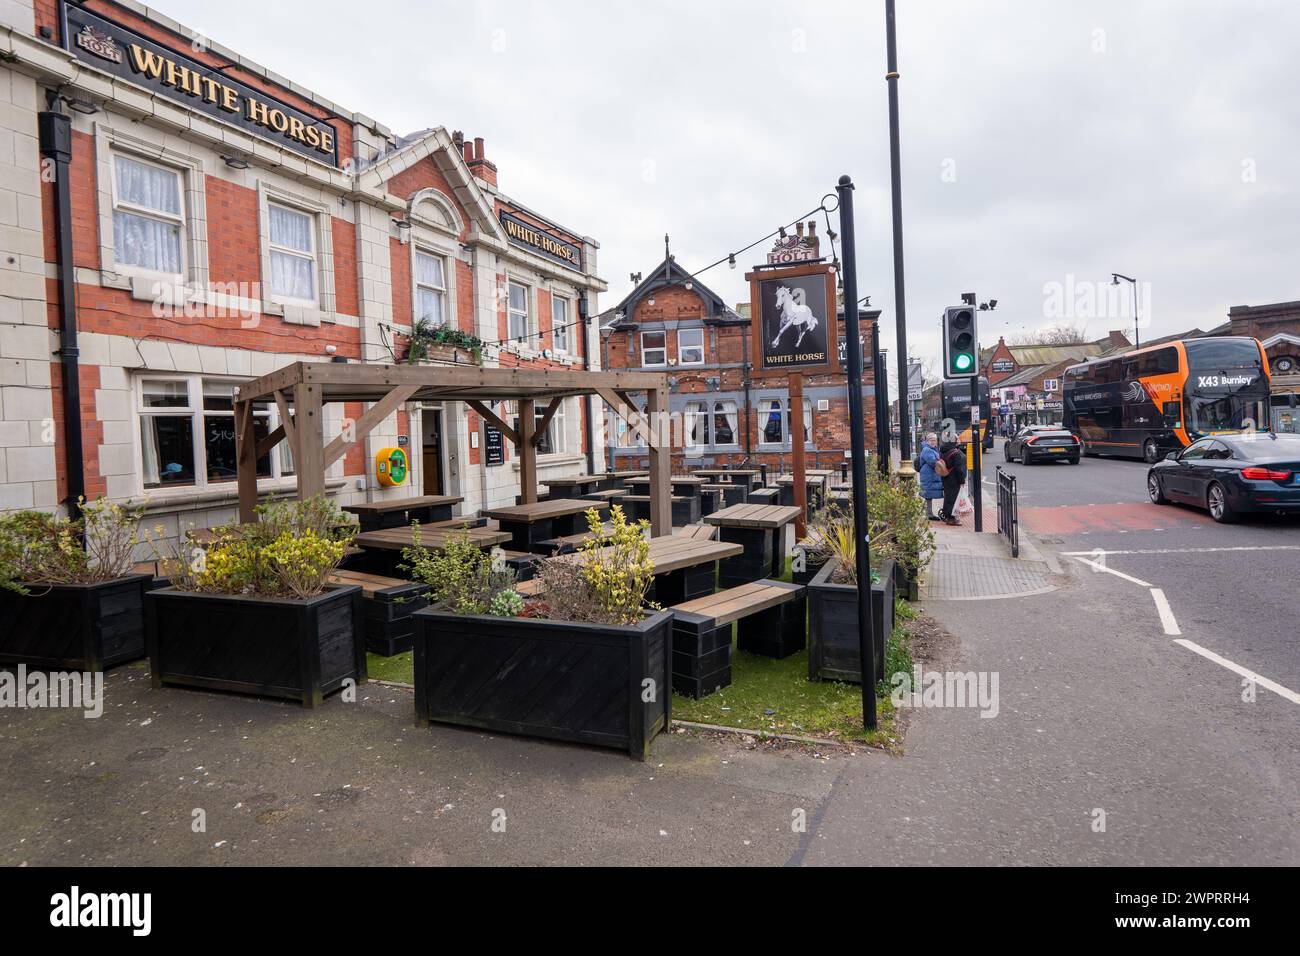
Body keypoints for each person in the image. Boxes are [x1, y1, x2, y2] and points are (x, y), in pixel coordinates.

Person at [938, 439, 968, 526]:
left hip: (945, 477)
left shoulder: (943, 451)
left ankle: (947, 515)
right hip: (954, 479)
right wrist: (962, 480)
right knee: (953, 498)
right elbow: (959, 469)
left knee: (948, 496)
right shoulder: (956, 453)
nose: (959, 441)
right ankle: (951, 518)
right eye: (957, 440)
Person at [916, 432, 944, 520]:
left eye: (935, 440)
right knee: (928, 495)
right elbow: (932, 462)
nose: (934, 442)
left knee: (929, 495)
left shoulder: (933, 449)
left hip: (931, 475)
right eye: (932, 440)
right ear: (927, 441)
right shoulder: (927, 450)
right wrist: (940, 461)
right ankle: (929, 514)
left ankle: (929, 513)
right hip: (929, 476)